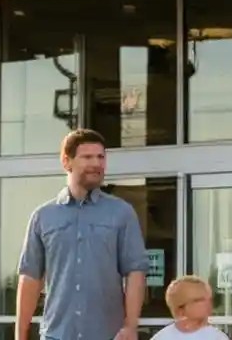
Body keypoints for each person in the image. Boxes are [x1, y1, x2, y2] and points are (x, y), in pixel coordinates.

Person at [17, 128, 149, 340]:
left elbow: (135, 271)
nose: (97, 164)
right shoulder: (43, 217)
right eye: (87, 157)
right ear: (66, 162)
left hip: (107, 335)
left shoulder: (121, 213)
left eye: (100, 157)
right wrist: (20, 336)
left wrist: (130, 326)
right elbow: (30, 277)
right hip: (56, 335)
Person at [154, 276, 229, 340]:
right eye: (199, 300)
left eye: (209, 299)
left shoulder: (218, 337)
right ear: (180, 309)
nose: (207, 303)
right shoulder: (163, 337)